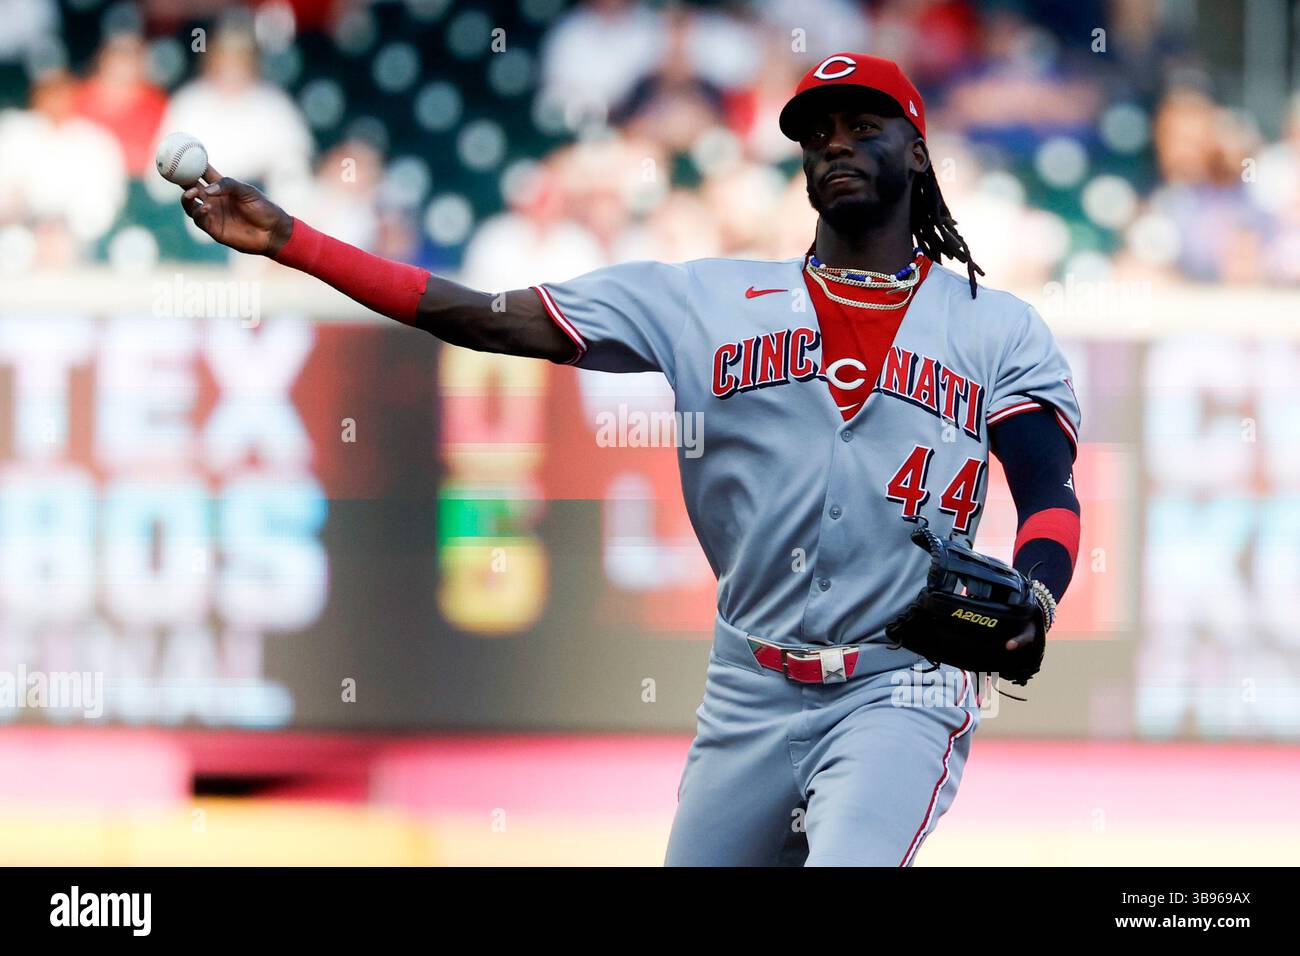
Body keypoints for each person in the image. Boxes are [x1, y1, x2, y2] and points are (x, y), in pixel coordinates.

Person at [178, 53, 1081, 866]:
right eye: (817, 133)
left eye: (863, 126)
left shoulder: (994, 328)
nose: (835, 145)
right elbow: (482, 314)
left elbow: (1047, 488)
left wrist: (1037, 590)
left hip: (898, 689)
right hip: (750, 686)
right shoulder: (706, 298)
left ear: (919, 152)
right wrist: (296, 242)